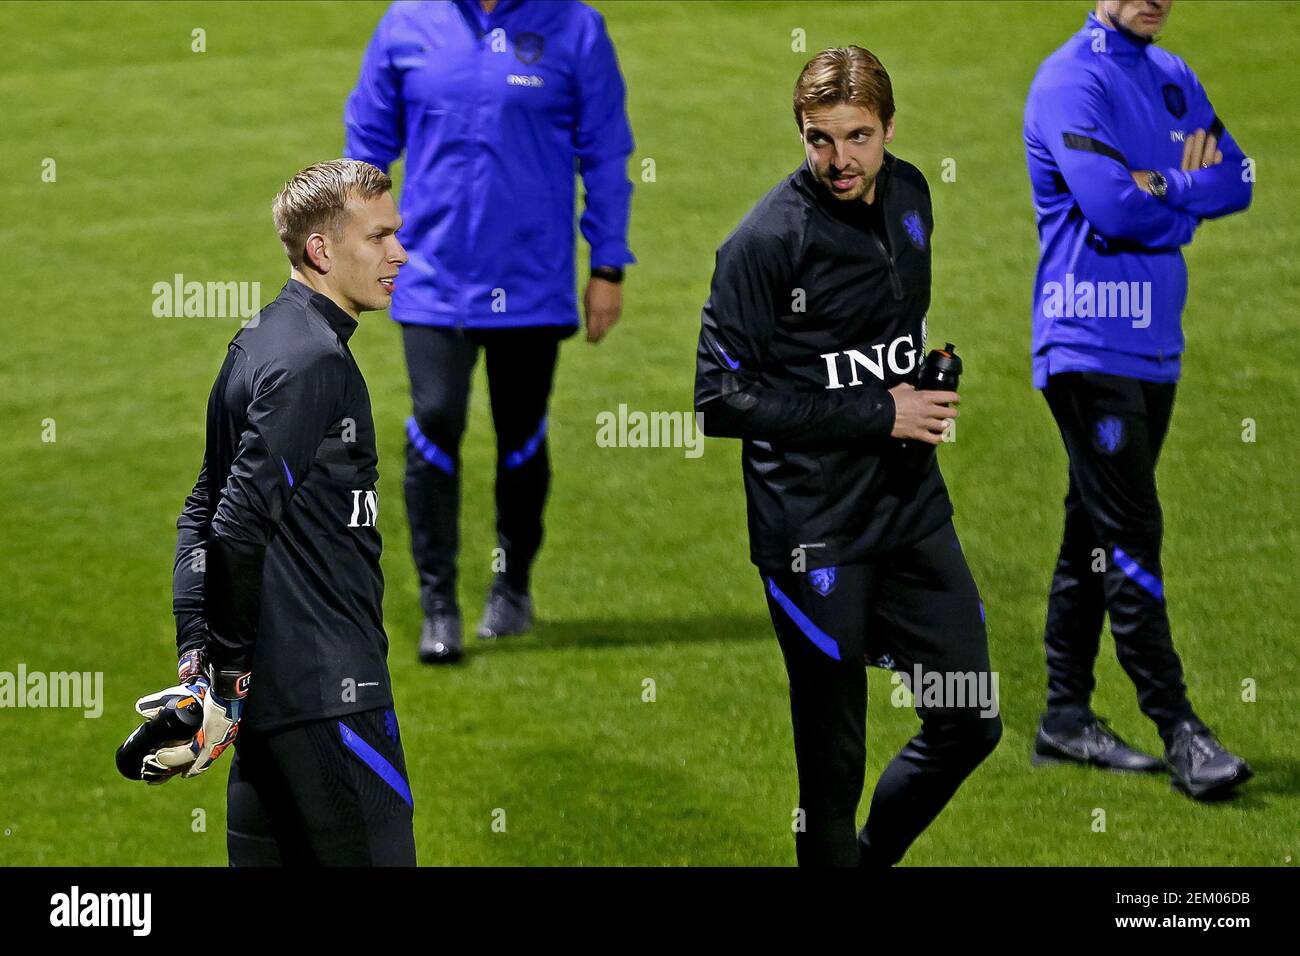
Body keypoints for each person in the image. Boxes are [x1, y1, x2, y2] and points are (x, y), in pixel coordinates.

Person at [694, 47, 1000, 866]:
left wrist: (920, 379)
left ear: (890, 128)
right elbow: (719, 399)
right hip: (812, 532)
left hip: (909, 512)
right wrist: (880, 409)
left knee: (971, 719)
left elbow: (884, 333)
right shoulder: (763, 244)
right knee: (831, 771)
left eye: (858, 137)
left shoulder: (911, 194)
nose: (840, 160)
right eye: (819, 139)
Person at [123, 160, 417, 865]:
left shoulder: (258, 338)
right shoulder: (315, 361)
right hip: (329, 702)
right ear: (322, 250)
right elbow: (234, 523)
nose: (399, 254)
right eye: (378, 237)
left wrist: (204, 663)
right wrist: (227, 677)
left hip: (265, 715)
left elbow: (202, 507)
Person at [344, 0, 636, 663]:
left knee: (521, 432)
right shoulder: (406, 25)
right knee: (436, 419)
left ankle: (512, 585)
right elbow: (365, 145)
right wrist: (357, 248)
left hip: (532, 282)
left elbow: (607, 151)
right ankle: (439, 603)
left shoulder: (575, 27)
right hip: (431, 278)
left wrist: (609, 264)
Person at [1024, 0, 1253, 798]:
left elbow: (1241, 179)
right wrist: (1181, 196)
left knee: (1091, 526)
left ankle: (1063, 716)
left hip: (1154, 345)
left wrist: (1165, 185)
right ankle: (1181, 730)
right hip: (1086, 344)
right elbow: (1111, 205)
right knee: (1132, 531)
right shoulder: (1070, 80)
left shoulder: (1171, 75)